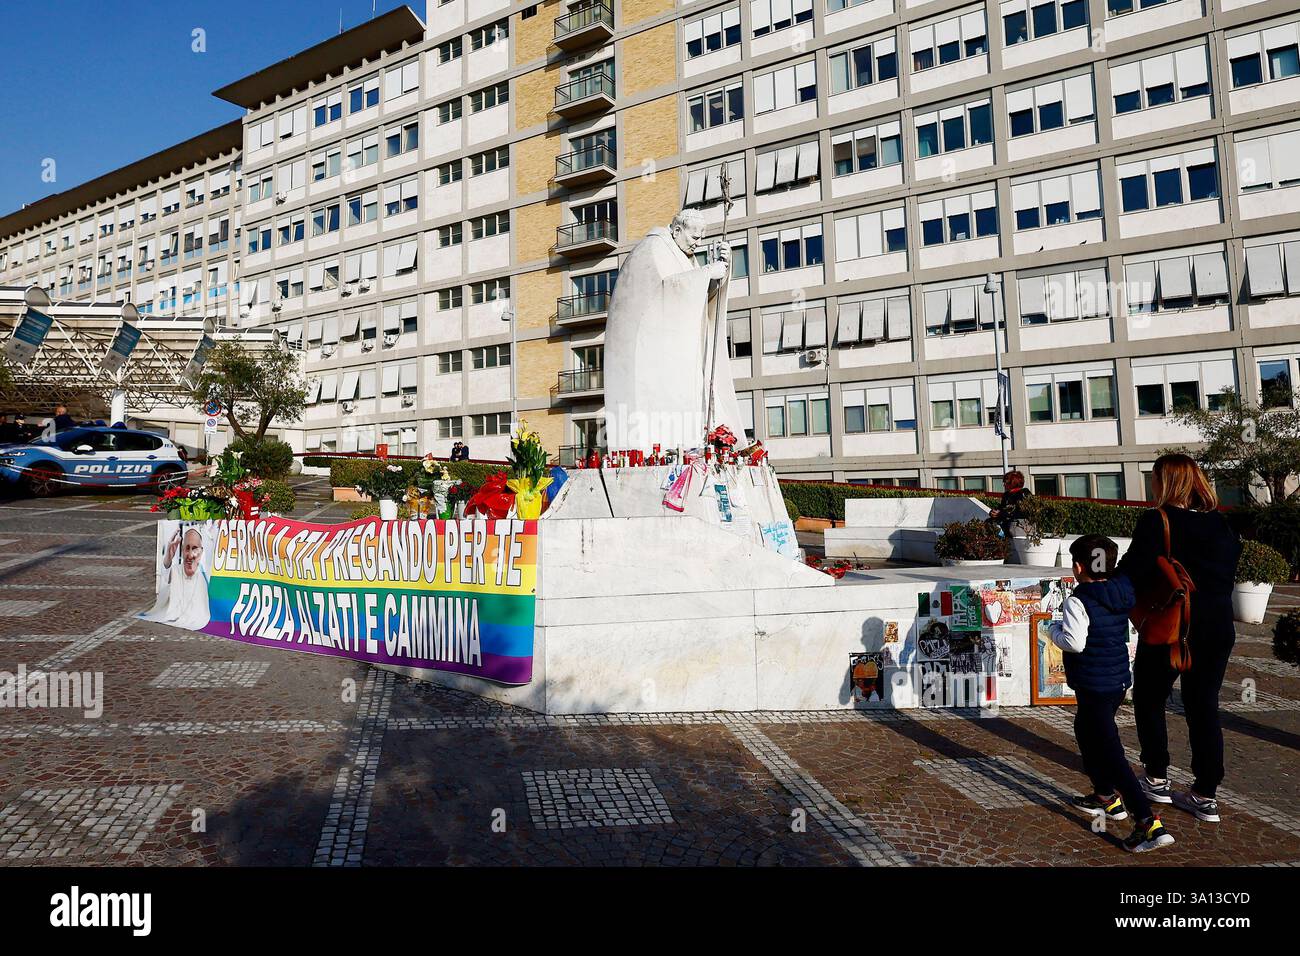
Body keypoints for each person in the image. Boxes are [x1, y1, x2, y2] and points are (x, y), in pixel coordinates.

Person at [1116, 453, 1242, 824]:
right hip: (1217, 628)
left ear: (1164, 481)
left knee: (1150, 698)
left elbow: (1131, 571)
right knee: (1204, 706)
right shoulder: (1222, 525)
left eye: (1155, 478)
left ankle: (1155, 775)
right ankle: (1205, 793)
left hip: (1173, 627)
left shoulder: (1159, 520)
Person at [1049, 534, 1175, 852]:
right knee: (1085, 730)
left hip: (1093, 684)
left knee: (1111, 753)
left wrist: (1052, 631)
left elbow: (1075, 642)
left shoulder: (1078, 600)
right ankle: (1104, 796)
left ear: (1078, 567)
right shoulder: (1122, 590)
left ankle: (1148, 824)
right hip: (1116, 681)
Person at [140, 525, 211, 630]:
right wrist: (168, 559)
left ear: (201, 551)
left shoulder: (207, 575)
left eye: (194, 548)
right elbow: (165, 581)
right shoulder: (176, 570)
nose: (190, 554)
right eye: (187, 548)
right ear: (182, 551)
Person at [989, 469, 1031, 537]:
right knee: (989, 523)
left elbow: (1022, 512)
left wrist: (1001, 513)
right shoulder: (1006, 495)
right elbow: (1001, 507)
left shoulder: (1023, 493)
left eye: (1005, 482)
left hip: (1018, 525)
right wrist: (993, 512)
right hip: (1007, 523)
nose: (1003, 484)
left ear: (1013, 482)